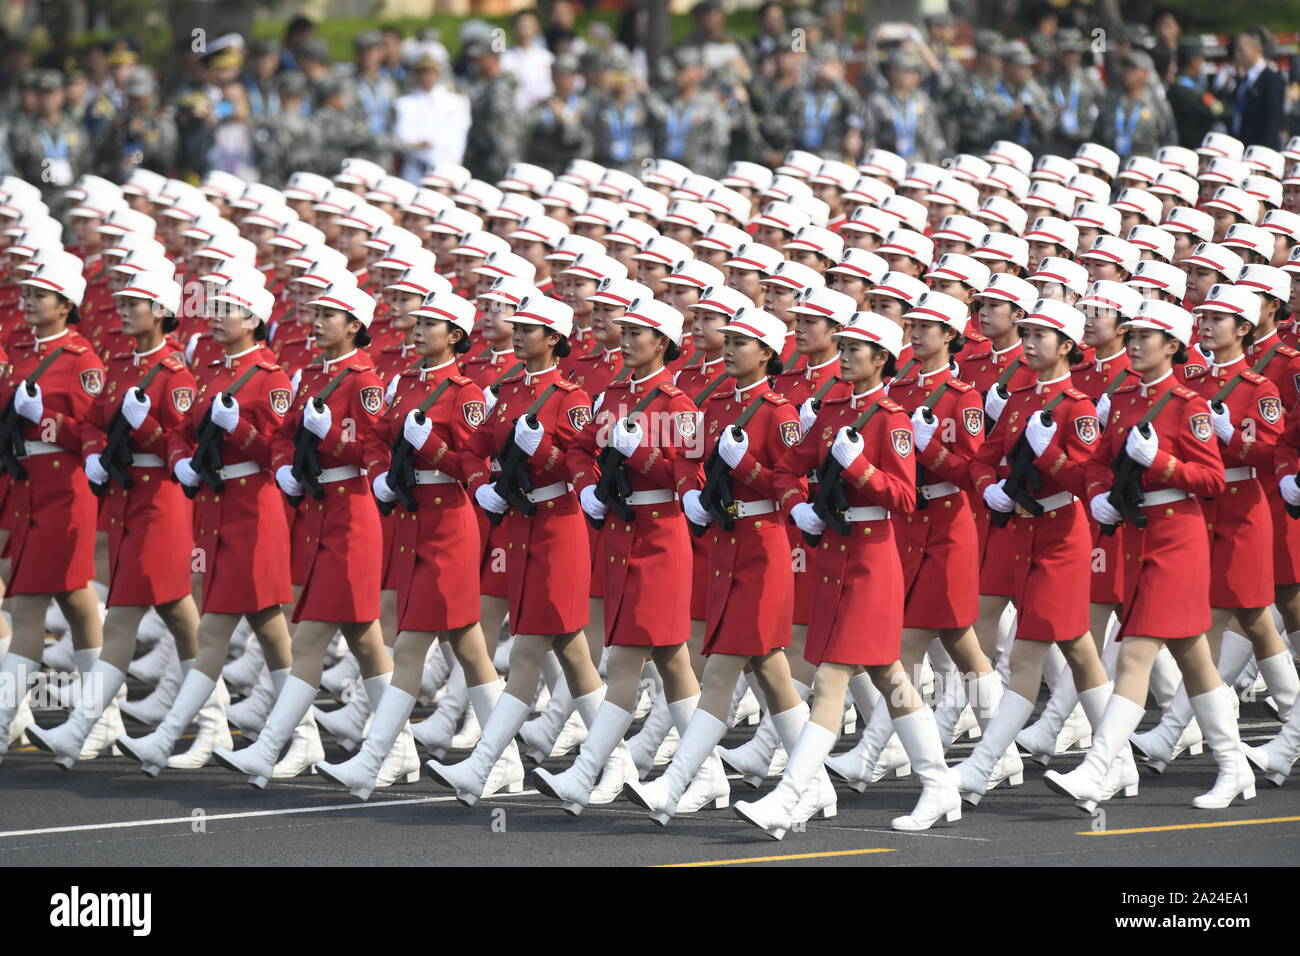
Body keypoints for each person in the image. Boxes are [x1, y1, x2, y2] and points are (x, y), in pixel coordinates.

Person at [736, 309, 957, 837]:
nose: (847, 353)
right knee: (891, 677)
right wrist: (798, 505)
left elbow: (905, 497)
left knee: (832, 677)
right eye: (847, 344)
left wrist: (861, 469)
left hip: (872, 557)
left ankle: (788, 797)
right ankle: (939, 784)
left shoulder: (890, 419)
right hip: (833, 552)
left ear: (882, 359)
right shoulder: (833, 409)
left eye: (858, 347)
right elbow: (790, 466)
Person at [1045, 300, 1254, 812]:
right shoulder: (1121, 401)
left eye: (1148, 336)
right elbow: (1098, 464)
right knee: (1195, 660)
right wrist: (1097, 495)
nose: (1135, 344)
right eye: (1132, 334)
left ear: (1173, 346)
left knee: (1135, 652)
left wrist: (1160, 463)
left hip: (1177, 539)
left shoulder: (1189, 405)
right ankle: (1235, 767)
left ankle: (1097, 771)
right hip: (1137, 536)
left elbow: (1209, 481)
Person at [623, 306, 810, 824]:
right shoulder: (717, 402)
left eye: (740, 343)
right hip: (727, 541)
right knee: (771, 671)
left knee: (722, 669)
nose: (726, 349)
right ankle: (814, 785)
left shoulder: (780, 413)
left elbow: (791, 482)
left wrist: (746, 464)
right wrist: (689, 492)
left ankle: (676, 783)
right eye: (726, 340)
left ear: (767, 354)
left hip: (763, 545)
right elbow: (687, 456)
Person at [212, 280, 391, 787]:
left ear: (354, 326)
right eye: (315, 314)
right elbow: (281, 436)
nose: (315, 323)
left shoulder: (364, 380)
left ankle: (268, 750)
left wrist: (327, 433)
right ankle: (396, 748)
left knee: (310, 635)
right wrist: (282, 462)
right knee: (364, 641)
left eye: (328, 315)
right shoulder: (313, 374)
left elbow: (371, 449)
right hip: (319, 512)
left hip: (352, 514)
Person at [316, 291, 494, 799]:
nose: (416, 330)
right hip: (414, 520)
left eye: (430, 324)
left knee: (411, 645)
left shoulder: (467, 393)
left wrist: (430, 447)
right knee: (470, 648)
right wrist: (379, 477)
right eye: (416, 322)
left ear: (455, 336)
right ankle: (500, 759)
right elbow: (377, 439)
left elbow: (471, 465)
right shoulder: (405, 384)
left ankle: (371, 762)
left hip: (450, 525)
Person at [115, 278, 295, 776]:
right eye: (214, 308)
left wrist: (239, 428)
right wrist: (180, 461)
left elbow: (279, 452)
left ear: (254, 322)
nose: (215, 316)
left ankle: (168, 735)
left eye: (228, 310)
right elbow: (182, 432)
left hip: (254, 509)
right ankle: (298, 737)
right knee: (267, 627)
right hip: (217, 505)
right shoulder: (212, 371)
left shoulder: (271, 378)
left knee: (218, 626)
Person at [427, 293, 600, 806]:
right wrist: (482, 484)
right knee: (572, 652)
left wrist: (541, 450)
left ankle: (481, 768)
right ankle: (613, 763)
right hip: (520, 526)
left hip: (558, 527)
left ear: (553, 340)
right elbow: (472, 448)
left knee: (526, 652)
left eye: (530, 329)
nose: (517, 333)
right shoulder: (503, 391)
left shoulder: (569, 397)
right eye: (517, 326)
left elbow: (578, 465)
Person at [955, 298, 1128, 805]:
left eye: (1040, 337)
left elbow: (1090, 477)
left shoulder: (1075, 407)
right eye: (1025, 334)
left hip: (1060, 534)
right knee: (1079, 650)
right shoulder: (1019, 398)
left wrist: (1051, 452)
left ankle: (982, 765)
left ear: (1067, 347)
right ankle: (1116, 762)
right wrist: (989, 486)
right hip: (1023, 534)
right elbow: (983, 458)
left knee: (1029, 655)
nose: (1029, 344)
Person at [535, 297, 703, 813]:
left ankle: (585, 773)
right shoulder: (610, 394)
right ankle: (709, 773)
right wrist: (587, 485)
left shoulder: (679, 406)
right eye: (624, 331)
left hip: (661, 535)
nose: (625, 340)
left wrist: (643, 454)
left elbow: (689, 479)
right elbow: (581, 447)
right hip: (620, 531)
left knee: (625, 660)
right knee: (673, 663)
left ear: (664, 344)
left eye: (637, 333)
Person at [28, 272, 201, 768]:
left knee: (123, 614)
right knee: (177, 612)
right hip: (126, 499)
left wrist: (142, 425)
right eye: (121, 302)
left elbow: (181, 445)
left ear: (162, 312)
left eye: (136, 304)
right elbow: (97, 420)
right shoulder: (121, 363)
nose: (123, 310)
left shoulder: (174, 373)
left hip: (161, 503)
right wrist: (90, 447)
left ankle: (78, 729)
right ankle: (213, 721)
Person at [1131, 285, 1296, 765]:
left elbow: (1271, 452)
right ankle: (1291, 728)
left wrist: (1234, 440)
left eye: (1219, 319)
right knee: (1255, 621)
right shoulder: (1195, 384)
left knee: (1223, 618)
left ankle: (1172, 729)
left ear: (1244, 329)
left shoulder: (1259, 387)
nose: (1205, 323)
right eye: (1202, 316)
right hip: (1205, 509)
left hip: (1244, 508)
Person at [0, 257, 106, 761]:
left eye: (40, 294)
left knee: (25, 607)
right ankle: (104, 713)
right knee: (76, 600)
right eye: (26, 291)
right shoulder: (20, 349)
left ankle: (2, 719)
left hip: (65, 490)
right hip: (27, 489)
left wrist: (43, 417)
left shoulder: (82, 358)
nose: (28, 300)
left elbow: (93, 432)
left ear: (67, 305)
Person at [1222, 28, 1285, 150]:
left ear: (1257, 49)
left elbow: (1272, 122)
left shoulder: (1271, 79)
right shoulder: (1242, 80)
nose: (1236, 55)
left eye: (1241, 50)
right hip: (1241, 146)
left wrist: (1262, 154)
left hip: (1259, 152)